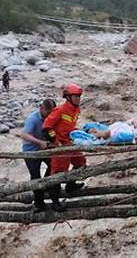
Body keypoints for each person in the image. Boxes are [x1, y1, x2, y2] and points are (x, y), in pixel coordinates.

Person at [43, 83, 86, 211]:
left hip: (71, 142)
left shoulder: (76, 110)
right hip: (60, 145)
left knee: (80, 162)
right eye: (76, 96)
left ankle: (70, 185)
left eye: (79, 96)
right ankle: (55, 202)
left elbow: (70, 125)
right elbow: (46, 127)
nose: (78, 98)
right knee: (58, 173)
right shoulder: (60, 110)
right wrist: (55, 141)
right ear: (68, 97)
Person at [21, 99, 57, 212]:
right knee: (35, 177)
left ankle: (46, 185)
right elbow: (24, 135)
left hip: (45, 150)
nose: (49, 115)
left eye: (52, 113)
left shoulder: (51, 118)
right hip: (31, 152)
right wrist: (39, 142)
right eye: (48, 112)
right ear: (42, 108)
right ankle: (38, 203)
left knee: (54, 166)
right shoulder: (33, 119)